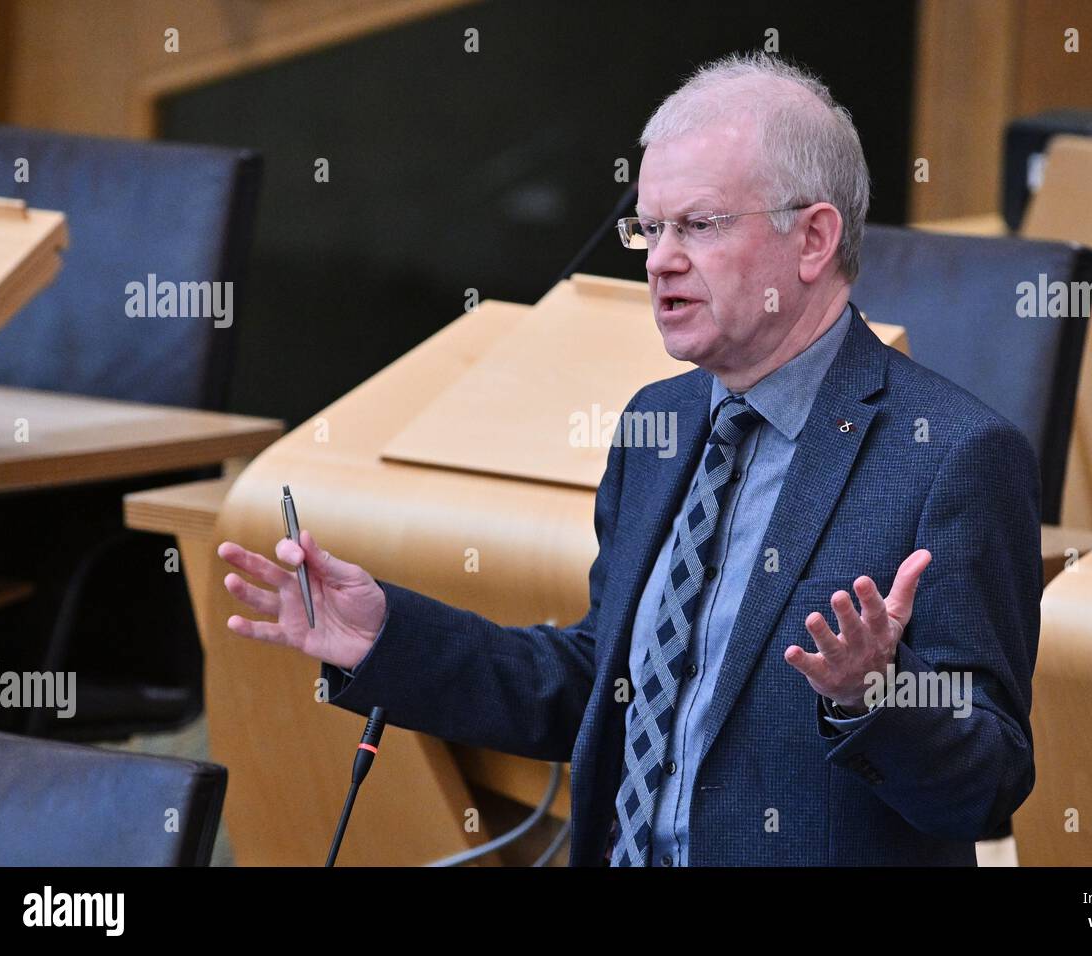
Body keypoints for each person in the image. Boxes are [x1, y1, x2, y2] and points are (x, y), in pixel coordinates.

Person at [217, 51, 1042, 866]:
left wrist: (876, 696)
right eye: (650, 228)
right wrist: (388, 639)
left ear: (814, 238)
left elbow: (990, 782)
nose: (659, 259)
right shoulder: (663, 422)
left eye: (699, 225)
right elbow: (601, 683)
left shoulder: (955, 456)